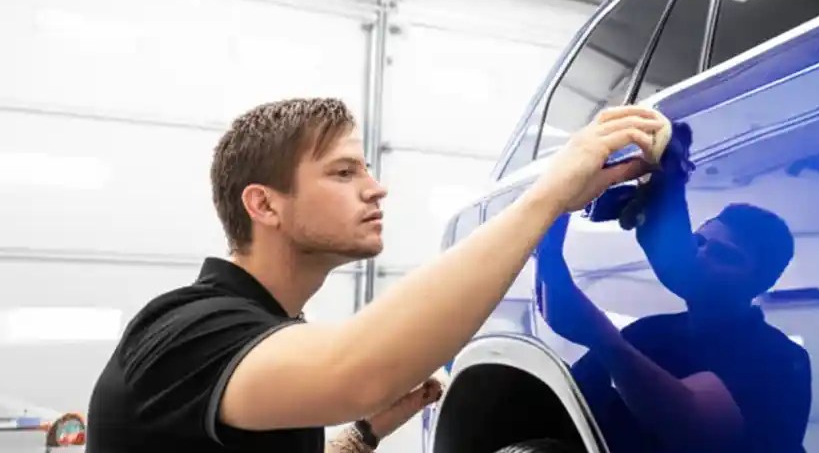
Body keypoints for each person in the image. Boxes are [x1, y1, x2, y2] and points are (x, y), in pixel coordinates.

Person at [86, 97, 664, 453]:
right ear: (264, 206)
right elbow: (353, 371)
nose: (376, 186)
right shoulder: (185, 329)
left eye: (367, 168)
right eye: (342, 172)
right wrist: (551, 194)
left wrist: (364, 434)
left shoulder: (265, 331)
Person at [536, 123, 812, 453]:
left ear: (760, 282)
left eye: (724, 254)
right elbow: (563, 408)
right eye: (698, 241)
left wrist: (603, 339)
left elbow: (699, 433)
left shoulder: (778, 359)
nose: (701, 254)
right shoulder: (649, 334)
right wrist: (552, 220)